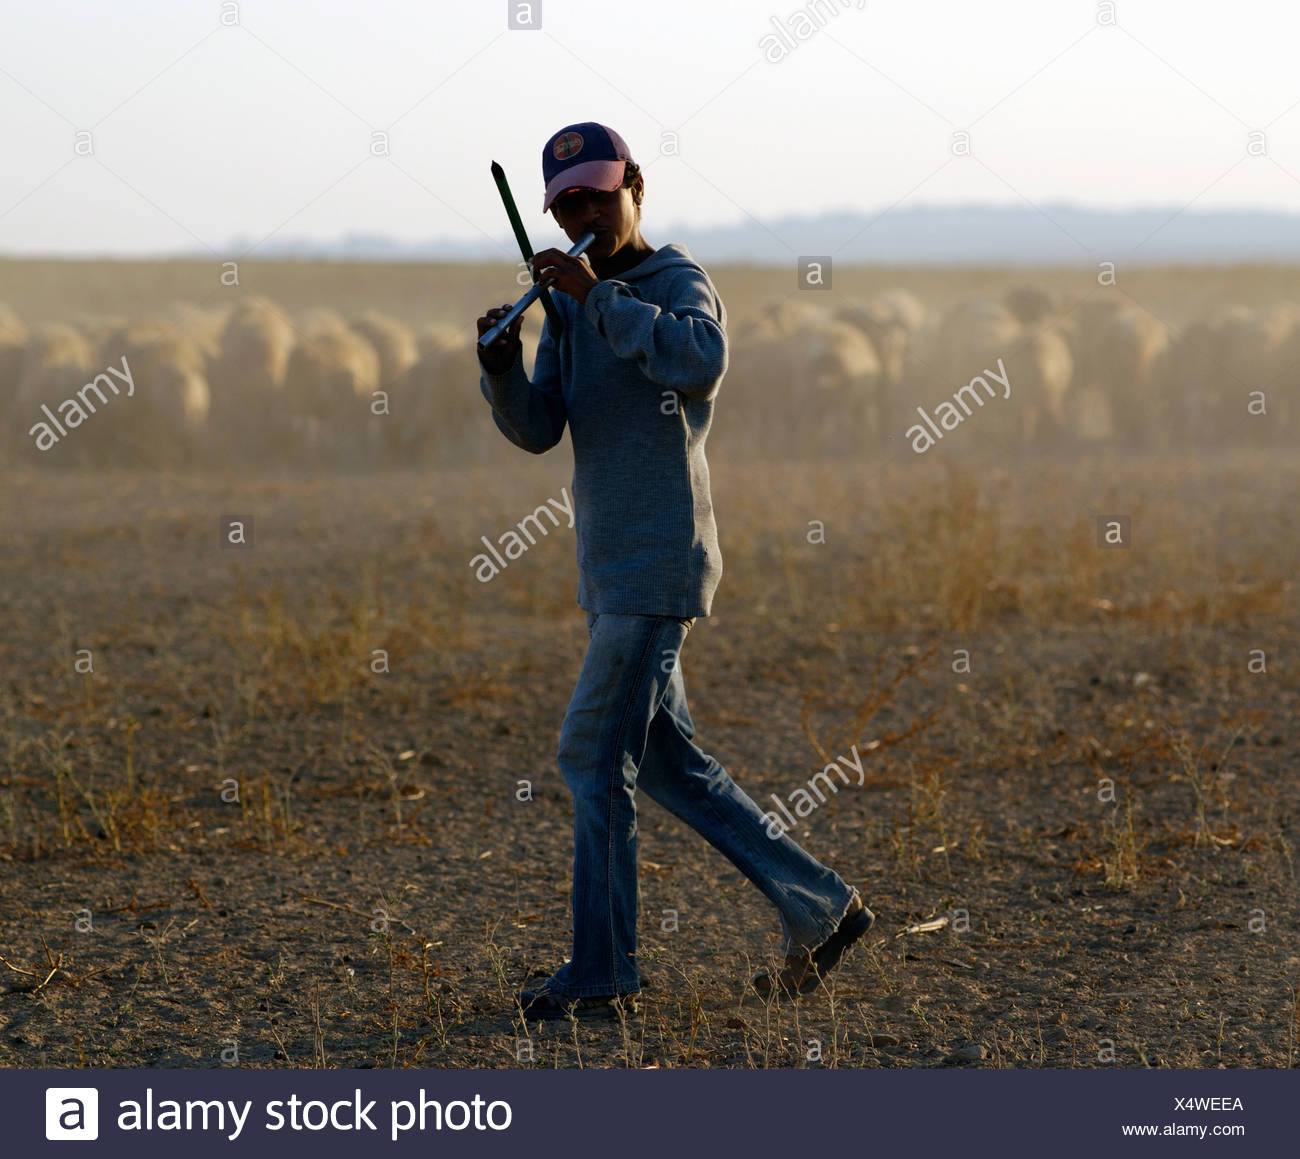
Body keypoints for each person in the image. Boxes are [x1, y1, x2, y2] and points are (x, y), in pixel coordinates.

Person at [475, 122, 874, 1022]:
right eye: (566, 202)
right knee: (666, 766)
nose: (583, 213)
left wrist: (599, 299)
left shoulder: (672, 282)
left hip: (661, 566)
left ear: (635, 188)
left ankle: (602, 972)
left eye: (598, 195)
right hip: (608, 572)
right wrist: (499, 370)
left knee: (588, 755)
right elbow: (540, 427)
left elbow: (701, 361)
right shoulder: (571, 305)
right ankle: (822, 908)